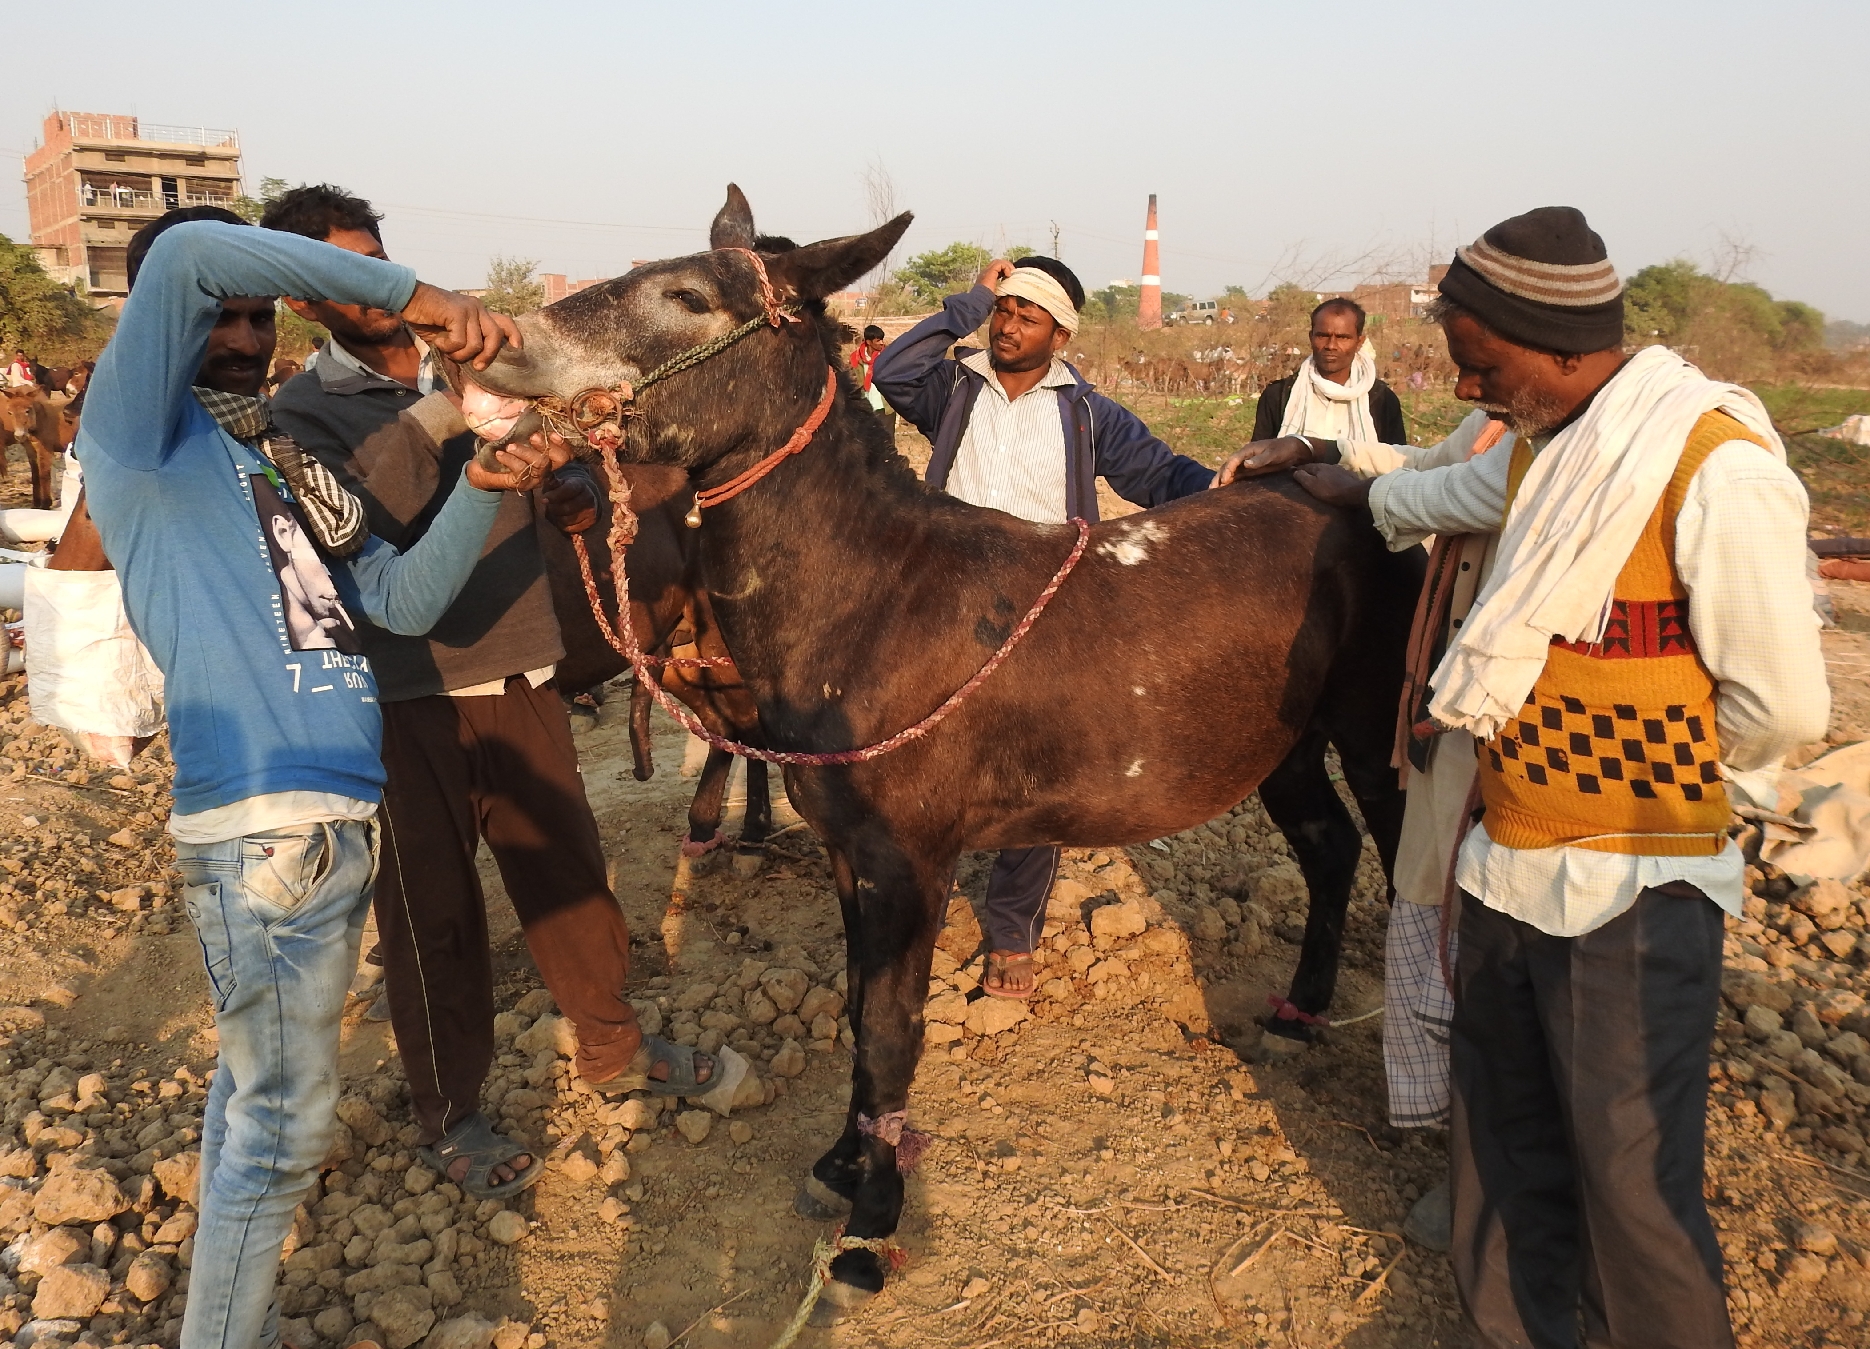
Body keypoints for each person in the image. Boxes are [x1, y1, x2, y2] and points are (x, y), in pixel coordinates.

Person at [1280, 207, 1827, 1347]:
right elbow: (1437, 494)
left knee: (1630, 1179)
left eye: (1482, 361)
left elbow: (1780, 707)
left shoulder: (1710, 468)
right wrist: (1336, 482)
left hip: (1635, 882)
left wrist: (1672, 803)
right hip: (1506, 858)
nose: (1468, 385)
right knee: (1501, 1145)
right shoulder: (1543, 449)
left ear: (1562, 347)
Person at [82, 203, 555, 1349]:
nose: (243, 337)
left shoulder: (269, 450)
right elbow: (191, 251)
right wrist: (421, 298)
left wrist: (486, 478)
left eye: (259, 317)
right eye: (218, 319)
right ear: (160, 320)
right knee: (286, 1135)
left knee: (254, 1104)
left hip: (331, 815)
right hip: (266, 824)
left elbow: (394, 599)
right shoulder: (140, 436)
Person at [262, 184, 704, 1198]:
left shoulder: (484, 368)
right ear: (302, 298)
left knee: (569, 878)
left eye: (380, 259)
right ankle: (450, 1112)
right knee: (431, 913)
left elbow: (567, 479)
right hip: (399, 693)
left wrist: (573, 488)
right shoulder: (298, 418)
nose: (377, 286)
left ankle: (612, 1044)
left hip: (515, 663)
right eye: (345, 270)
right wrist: (447, 414)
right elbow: (362, 517)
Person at [874, 255, 1214, 997]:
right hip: (942, 605)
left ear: (1061, 334)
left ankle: (1010, 932)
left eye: (1028, 316)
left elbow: (1157, 475)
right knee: (923, 764)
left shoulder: (1087, 412)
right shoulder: (954, 388)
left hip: (1042, 611)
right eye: (1005, 311)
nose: (1009, 325)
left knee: (1028, 771)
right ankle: (914, 918)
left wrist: (1223, 488)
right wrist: (970, 299)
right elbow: (893, 370)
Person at [1218, 407, 1517, 1251]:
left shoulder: (1565, 447)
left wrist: (1369, 491)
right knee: (1432, 893)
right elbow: (1434, 456)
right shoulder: (1501, 419)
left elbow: (1456, 487)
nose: (1463, 380)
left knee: (1482, 927)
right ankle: (1467, 1150)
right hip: (1457, 692)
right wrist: (1316, 447)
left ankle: (1486, 1168)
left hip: (1526, 723)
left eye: (1475, 352)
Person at [1251, 298, 1407, 446]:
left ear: (1359, 342)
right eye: (1322, 336)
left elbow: (1395, 465)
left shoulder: (1381, 400)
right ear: (1311, 337)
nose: (1331, 345)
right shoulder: (1279, 396)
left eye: (1342, 337)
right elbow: (1258, 461)